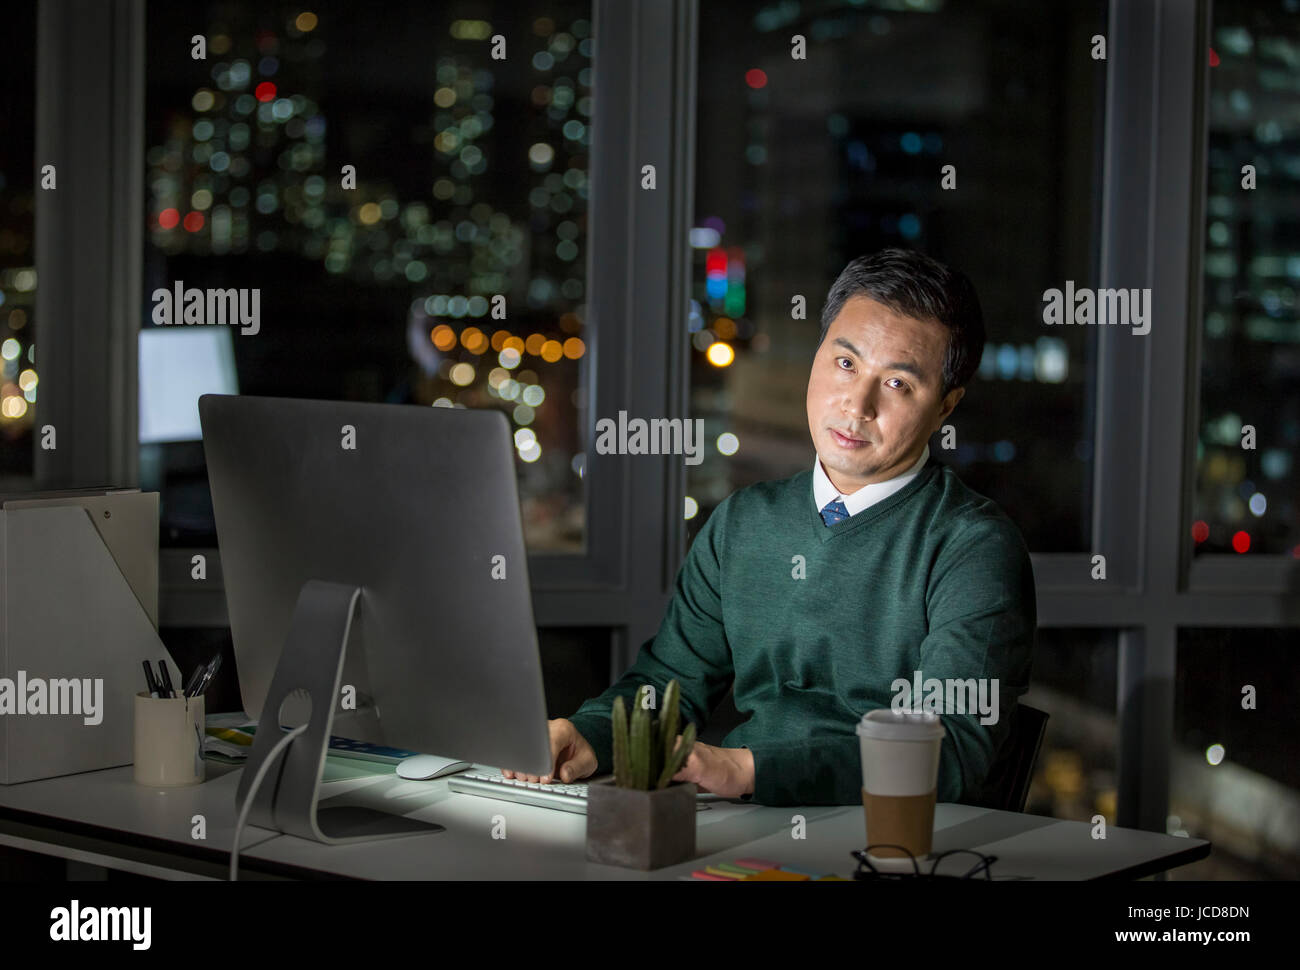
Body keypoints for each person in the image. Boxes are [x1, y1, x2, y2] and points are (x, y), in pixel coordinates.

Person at [504, 248, 1036, 806]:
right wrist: (588, 735)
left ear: (946, 406)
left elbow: (948, 750)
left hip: (889, 844)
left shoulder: (974, 548)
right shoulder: (745, 521)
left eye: (898, 384)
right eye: (846, 363)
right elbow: (669, 688)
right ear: (816, 357)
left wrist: (750, 770)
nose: (857, 405)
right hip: (742, 829)